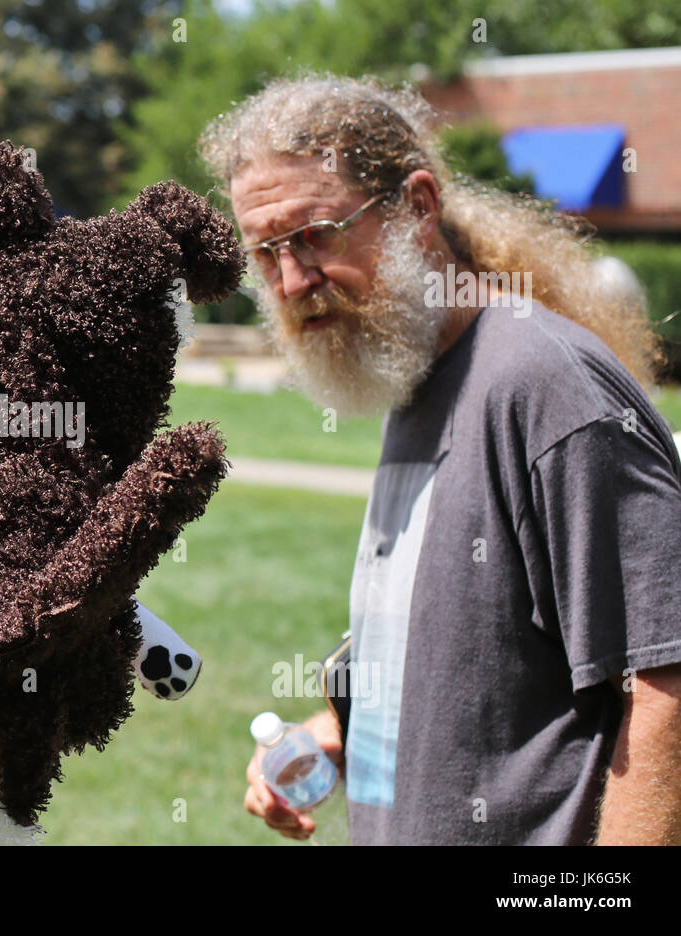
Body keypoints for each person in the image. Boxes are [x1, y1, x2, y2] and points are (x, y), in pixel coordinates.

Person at [199, 74, 681, 845]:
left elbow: (662, 685)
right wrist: (334, 728)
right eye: (267, 252)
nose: (293, 281)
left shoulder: (543, 383)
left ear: (417, 206)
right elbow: (471, 645)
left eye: (316, 234)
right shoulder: (416, 373)